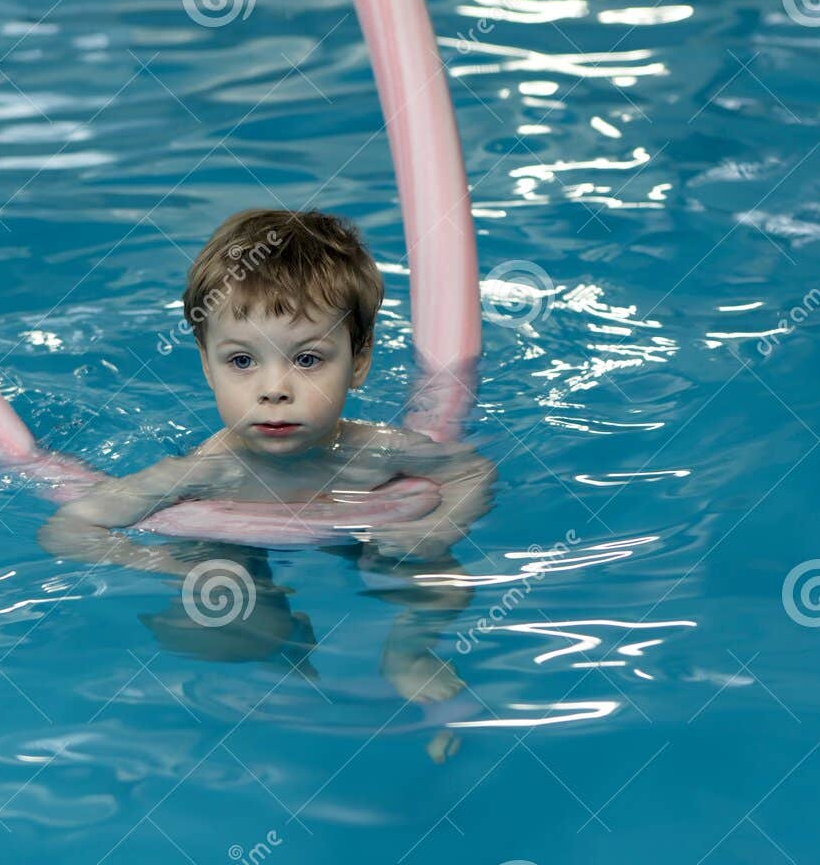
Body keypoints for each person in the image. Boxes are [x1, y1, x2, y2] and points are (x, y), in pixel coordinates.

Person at [38, 208, 495, 727]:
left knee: (441, 581)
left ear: (359, 362)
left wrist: (432, 529)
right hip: (226, 540)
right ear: (207, 367)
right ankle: (279, 658)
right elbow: (70, 526)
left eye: (307, 360)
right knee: (217, 612)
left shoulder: (375, 453)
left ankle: (409, 653)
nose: (274, 389)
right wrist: (162, 565)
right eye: (241, 361)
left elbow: (469, 472)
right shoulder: (207, 472)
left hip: (359, 528)